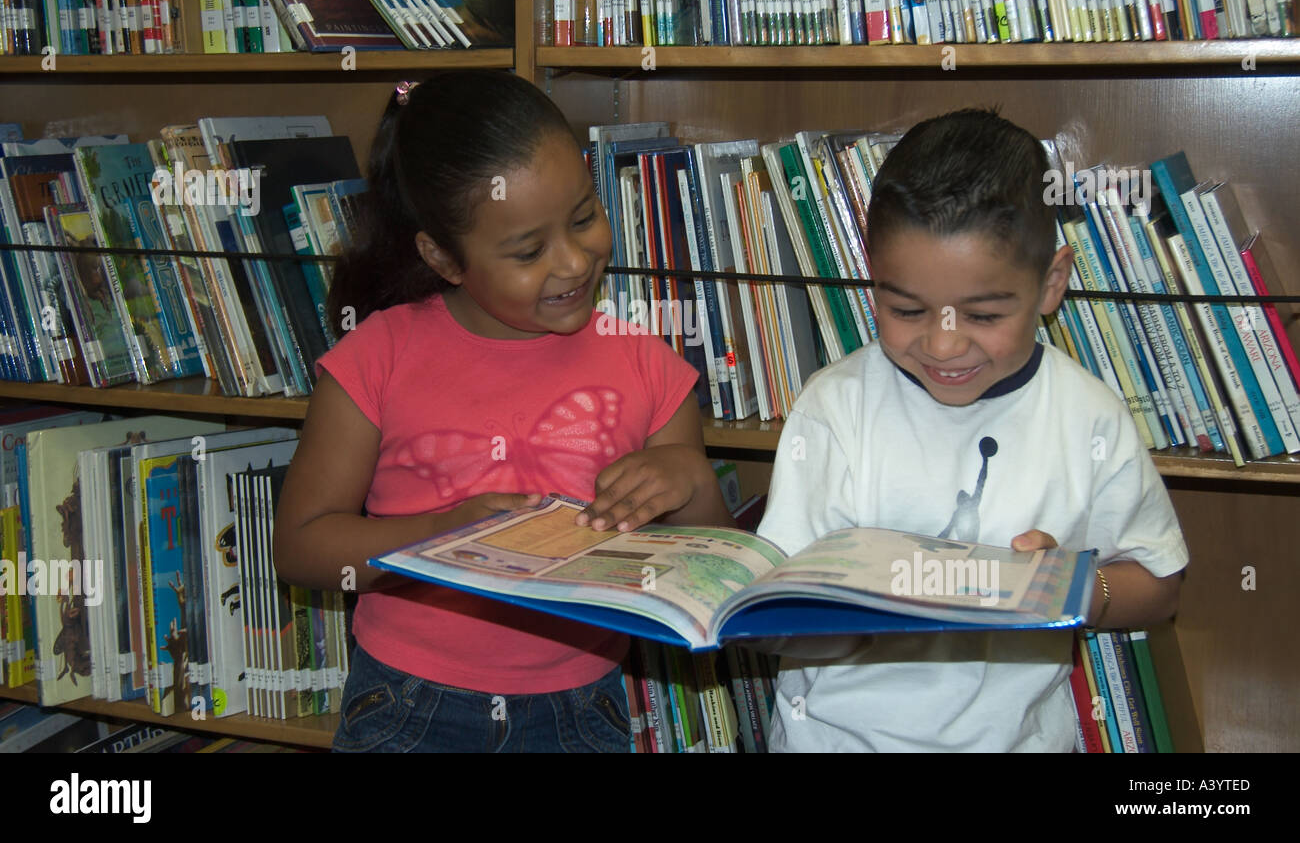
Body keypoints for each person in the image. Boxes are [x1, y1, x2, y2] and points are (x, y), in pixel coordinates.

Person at [274, 71, 734, 752]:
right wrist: (439, 536)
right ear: (443, 257)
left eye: (584, 217)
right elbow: (301, 545)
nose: (576, 261)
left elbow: (707, 569)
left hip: (579, 704)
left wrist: (689, 479)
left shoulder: (646, 366)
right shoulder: (378, 355)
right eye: (528, 250)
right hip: (409, 701)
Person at [755, 109, 1188, 752]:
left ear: (1051, 283)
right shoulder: (834, 408)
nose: (943, 343)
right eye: (905, 309)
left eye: (983, 314)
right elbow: (777, 607)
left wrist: (1074, 588)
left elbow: (1159, 586)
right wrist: (816, 621)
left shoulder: (1088, 417)